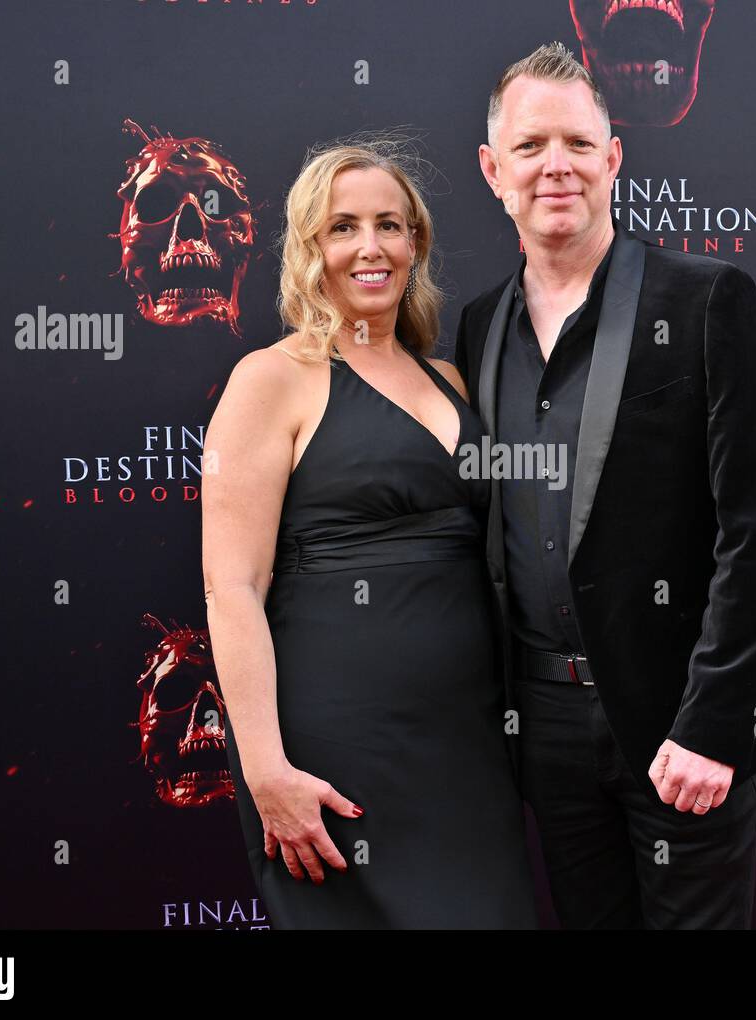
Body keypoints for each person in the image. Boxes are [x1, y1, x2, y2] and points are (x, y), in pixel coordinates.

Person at [453, 42, 756, 929]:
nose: (554, 165)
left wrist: (714, 725)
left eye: (576, 142)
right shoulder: (478, 326)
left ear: (614, 157)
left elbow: (755, 529)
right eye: (529, 147)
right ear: (494, 171)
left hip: (678, 727)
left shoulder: (707, 297)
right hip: (545, 731)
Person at [201, 137, 538, 929]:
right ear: (310, 247)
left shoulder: (450, 380)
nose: (370, 247)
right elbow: (232, 587)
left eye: (390, 224)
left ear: (415, 242)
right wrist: (265, 769)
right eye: (342, 227)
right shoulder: (270, 380)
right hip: (337, 747)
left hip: (467, 749)